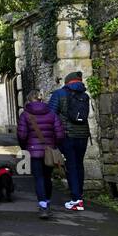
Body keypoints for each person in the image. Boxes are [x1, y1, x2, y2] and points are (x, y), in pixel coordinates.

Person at [49, 70, 92, 211]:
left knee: (71, 165)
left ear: (67, 82)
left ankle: (76, 199)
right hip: (83, 135)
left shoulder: (59, 94)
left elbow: (51, 116)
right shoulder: (84, 96)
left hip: (67, 135)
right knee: (79, 164)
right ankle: (79, 195)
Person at [17, 93, 65, 219]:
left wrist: (25, 147)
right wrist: (53, 145)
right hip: (49, 150)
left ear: (28, 100)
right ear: (41, 99)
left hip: (33, 151)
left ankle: (43, 206)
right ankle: (47, 203)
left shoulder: (25, 115)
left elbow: (22, 135)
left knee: (39, 178)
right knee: (47, 177)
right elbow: (60, 134)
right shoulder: (52, 113)